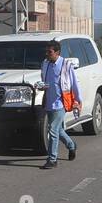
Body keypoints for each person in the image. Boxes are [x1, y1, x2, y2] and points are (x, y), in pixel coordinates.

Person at [38, 40, 79, 169]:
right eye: (46, 51)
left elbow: (74, 84)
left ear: (57, 52)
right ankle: (71, 145)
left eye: (49, 52)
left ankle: (52, 159)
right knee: (58, 130)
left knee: (53, 130)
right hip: (49, 102)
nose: (47, 54)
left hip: (60, 103)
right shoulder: (45, 64)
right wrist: (41, 86)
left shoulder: (66, 65)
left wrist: (78, 101)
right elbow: (45, 81)